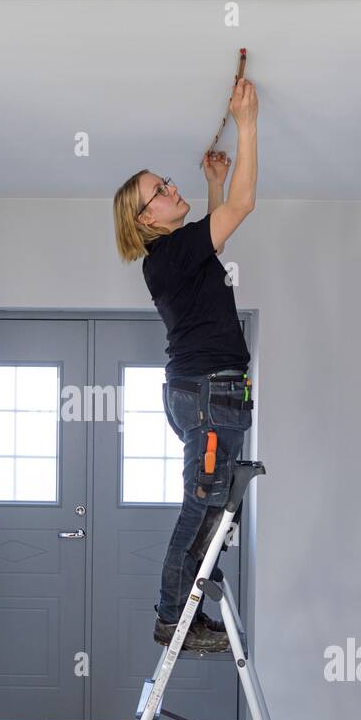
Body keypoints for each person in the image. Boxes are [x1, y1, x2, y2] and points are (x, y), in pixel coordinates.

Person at [111, 77, 259, 653]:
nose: (171, 189)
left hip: (206, 392)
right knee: (203, 503)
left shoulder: (177, 254)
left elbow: (214, 236)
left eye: (167, 182)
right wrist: (247, 123)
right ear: (148, 219)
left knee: (211, 501)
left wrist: (213, 181)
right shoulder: (167, 254)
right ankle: (174, 617)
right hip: (208, 392)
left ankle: (187, 599)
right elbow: (243, 210)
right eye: (160, 190)